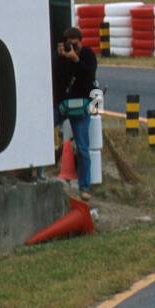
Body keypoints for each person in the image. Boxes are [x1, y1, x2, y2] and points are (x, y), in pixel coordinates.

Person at [53, 26, 98, 200]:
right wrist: (60, 58)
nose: (72, 47)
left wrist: (76, 59)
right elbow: (56, 79)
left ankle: (84, 187)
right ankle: (34, 170)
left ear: (81, 41)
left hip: (81, 105)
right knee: (43, 131)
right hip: (64, 104)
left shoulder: (87, 55)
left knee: (83, 147)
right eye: (69, 44)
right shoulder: (63, 57)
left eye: (75, 43)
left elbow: (88, 77)